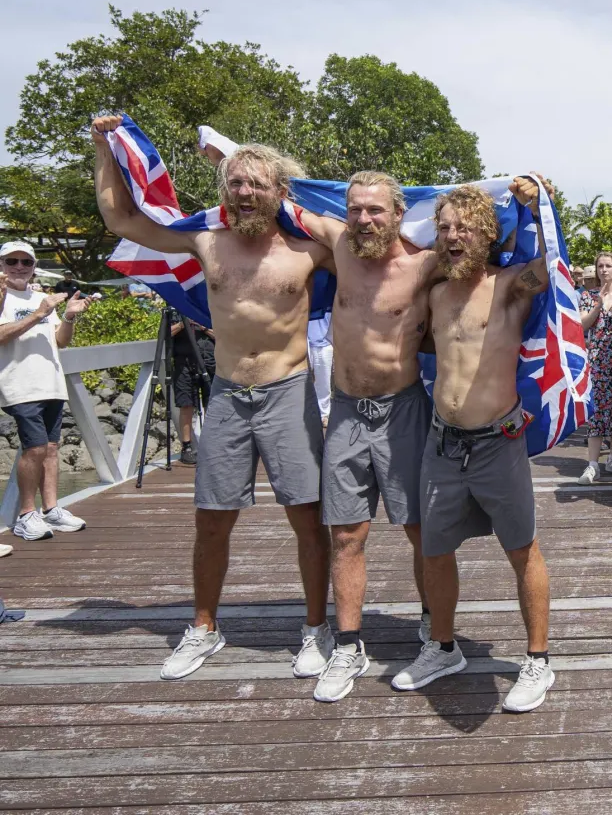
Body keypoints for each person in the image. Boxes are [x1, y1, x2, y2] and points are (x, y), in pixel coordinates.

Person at [92, 117, 335, 682]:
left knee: (306, 517)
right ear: (225, 188)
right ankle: (204, 627)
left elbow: (390, 241)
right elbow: (121, 218)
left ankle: (316, 627)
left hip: (289, 392)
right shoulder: (205, 240)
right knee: (211, 521)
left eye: (256, 183)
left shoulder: (308, 249)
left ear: (280, 191)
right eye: (236, 183)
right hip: (226, 396)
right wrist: (104, 148)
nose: (245, 192)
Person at [390, 180, 559, 714]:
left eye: (464, 227)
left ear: (487, 235)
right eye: (444, 228)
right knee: (435, 550)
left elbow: (551, 267)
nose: (452, 236)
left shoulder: (510, 284)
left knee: (521, 548)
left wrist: (538, 206)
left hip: (498, 443)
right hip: (443, 444)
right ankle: (442, 648)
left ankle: (537, 660)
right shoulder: (435, 292)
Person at [279, 171, 447, 703]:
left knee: (420, 532)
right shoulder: (339, 246)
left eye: (375, 210)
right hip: (349, 415)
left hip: (405, 413)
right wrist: (226, 152)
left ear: (399, 214)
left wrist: (531, 202)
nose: (364, 219)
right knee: (347, 535)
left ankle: (434, 629)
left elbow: (495, 248)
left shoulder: (425, 264)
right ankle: (348, 643)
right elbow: (284, 203)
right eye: (355, 209)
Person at [0, 241, 93, 542]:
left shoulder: (42, 297)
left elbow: (61, 341)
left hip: (50, 382)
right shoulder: (3, 297)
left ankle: (51, 509)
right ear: (1, 264)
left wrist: (68, 315)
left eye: (25, 262)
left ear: (34, 267)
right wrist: (39, 314)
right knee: (36, 448)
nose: (18, 267)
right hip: (19, 383)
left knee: (51, 449)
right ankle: (27, 514)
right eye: (11, 261)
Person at [577, 252, 612, 484]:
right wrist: (598, 306)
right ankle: (592, 464)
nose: (604, 270)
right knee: (597, 411)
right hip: (597, 359)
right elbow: (582, 324)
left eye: (608, 266)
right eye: (600, 266)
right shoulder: (588, 295)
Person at [168, 310, 216, 465]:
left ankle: (214, 445)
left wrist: (203, 327)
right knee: (186, 403)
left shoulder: (209, 304)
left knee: (214, 404)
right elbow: (164, 335)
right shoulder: (175, 308)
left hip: (210, 360)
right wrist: (184, 323)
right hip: (184, 363)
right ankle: (187, 447)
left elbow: (224, 336)